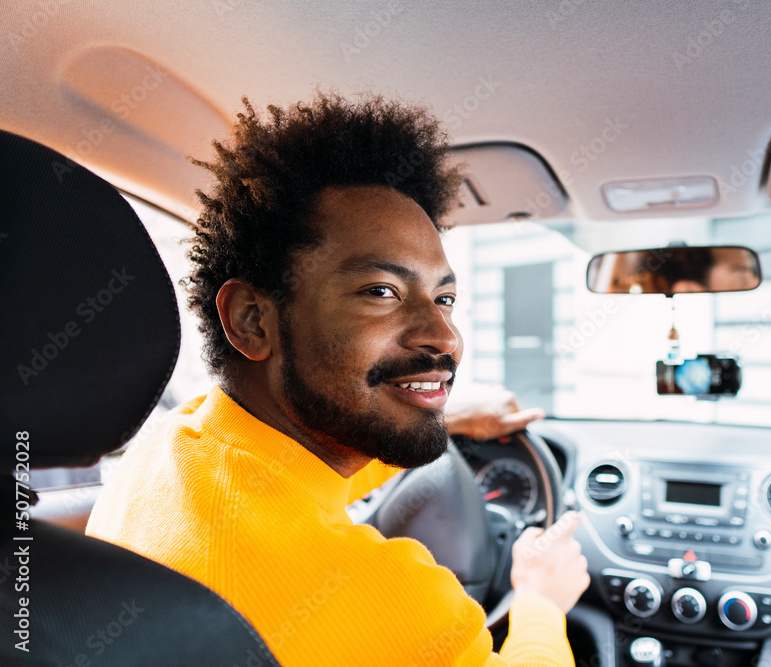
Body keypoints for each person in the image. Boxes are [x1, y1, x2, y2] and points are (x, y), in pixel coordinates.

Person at [86, 93, 590, 666]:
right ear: (252, 320)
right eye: (381, 292)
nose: (445, 336)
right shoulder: (393, 606)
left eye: (444, 297)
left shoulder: (170, 450)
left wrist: (448, 414)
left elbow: (299, 475)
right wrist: (541, 599)